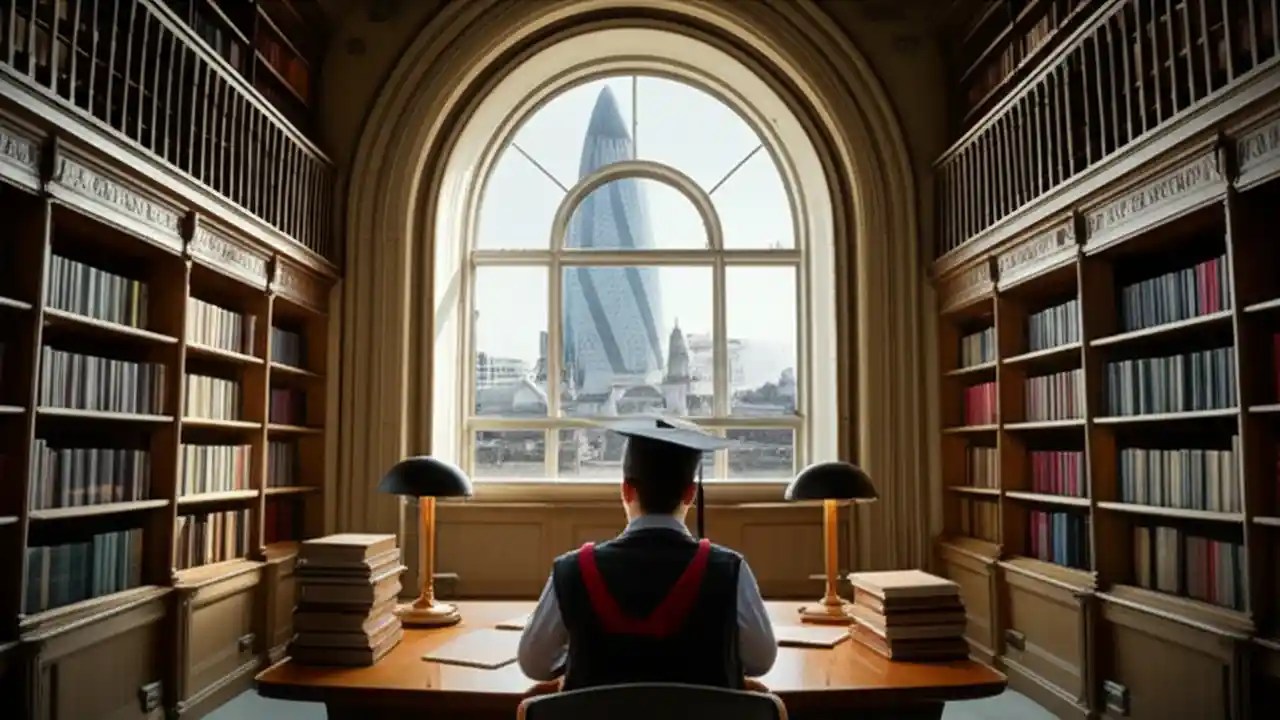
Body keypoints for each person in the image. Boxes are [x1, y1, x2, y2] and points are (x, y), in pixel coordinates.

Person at [517, 418, 777, 690]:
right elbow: (761, 660)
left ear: (626, 490)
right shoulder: (729, 570)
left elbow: (534, 663)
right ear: (690, 494)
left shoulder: (572, 570)